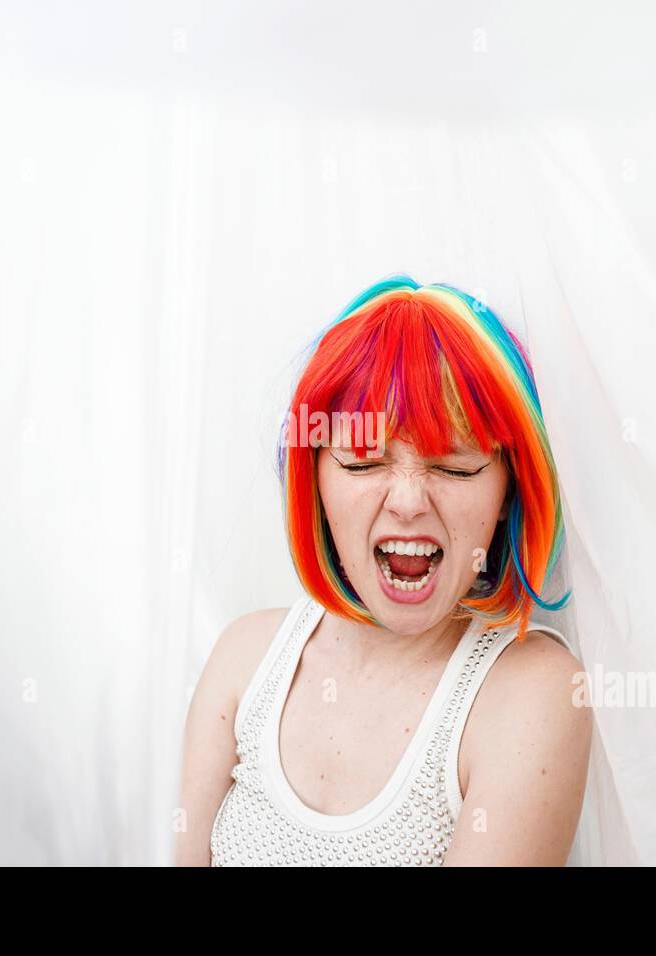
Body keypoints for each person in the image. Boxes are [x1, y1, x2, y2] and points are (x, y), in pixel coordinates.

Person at [176, 274, 591, 866]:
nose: (408, 501)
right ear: (313, 479)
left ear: (508, 495)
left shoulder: (533, 693)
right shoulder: (244, 658)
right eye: (366, 461)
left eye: (455, 466)